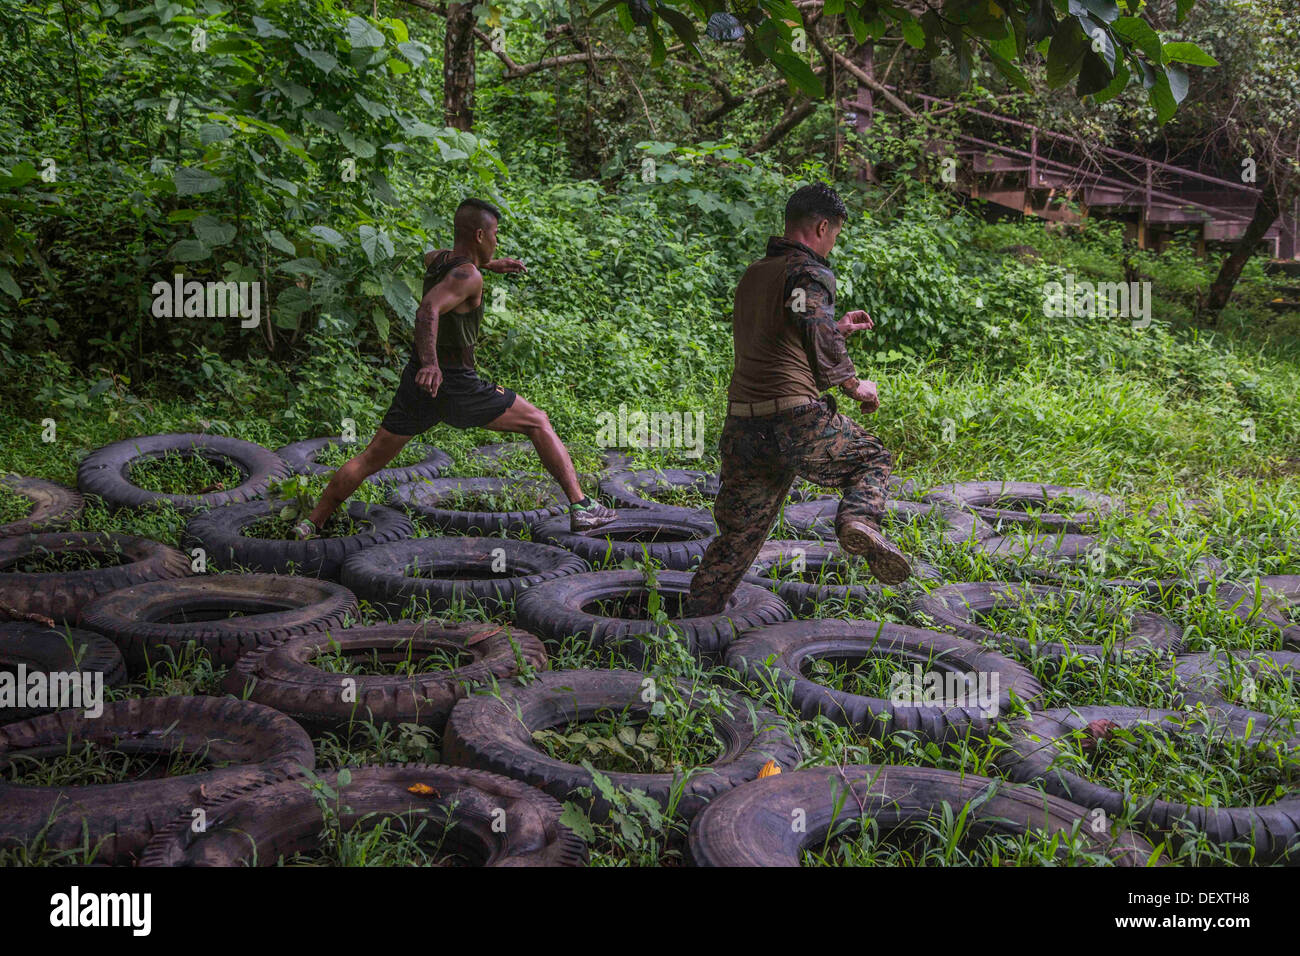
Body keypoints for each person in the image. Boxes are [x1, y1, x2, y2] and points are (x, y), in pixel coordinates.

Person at [293, 198, 617, 539]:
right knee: (538, 421)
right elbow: (428, 310)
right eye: (494, 234)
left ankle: (310, 522)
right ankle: (582, 507)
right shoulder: (467, 276)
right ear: (479, 234)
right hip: (454, 382)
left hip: (417, 383)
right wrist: (433, 364)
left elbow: (442, 263)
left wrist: (488, 265)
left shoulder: (438, 261)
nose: (496, 240)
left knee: (371, 458)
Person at [686, 182, 910, 615]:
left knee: (737, 538)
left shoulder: (755, 274)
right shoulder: (809, 272)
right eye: (835, 234)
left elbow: (783, 335)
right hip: (795, 421)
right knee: (874, 457)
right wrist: (853, 384)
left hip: (745, 428)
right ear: (823, 226)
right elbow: (811, 325)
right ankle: (859, 522)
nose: (833, 243)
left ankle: (693, 624)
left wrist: (834, 327)